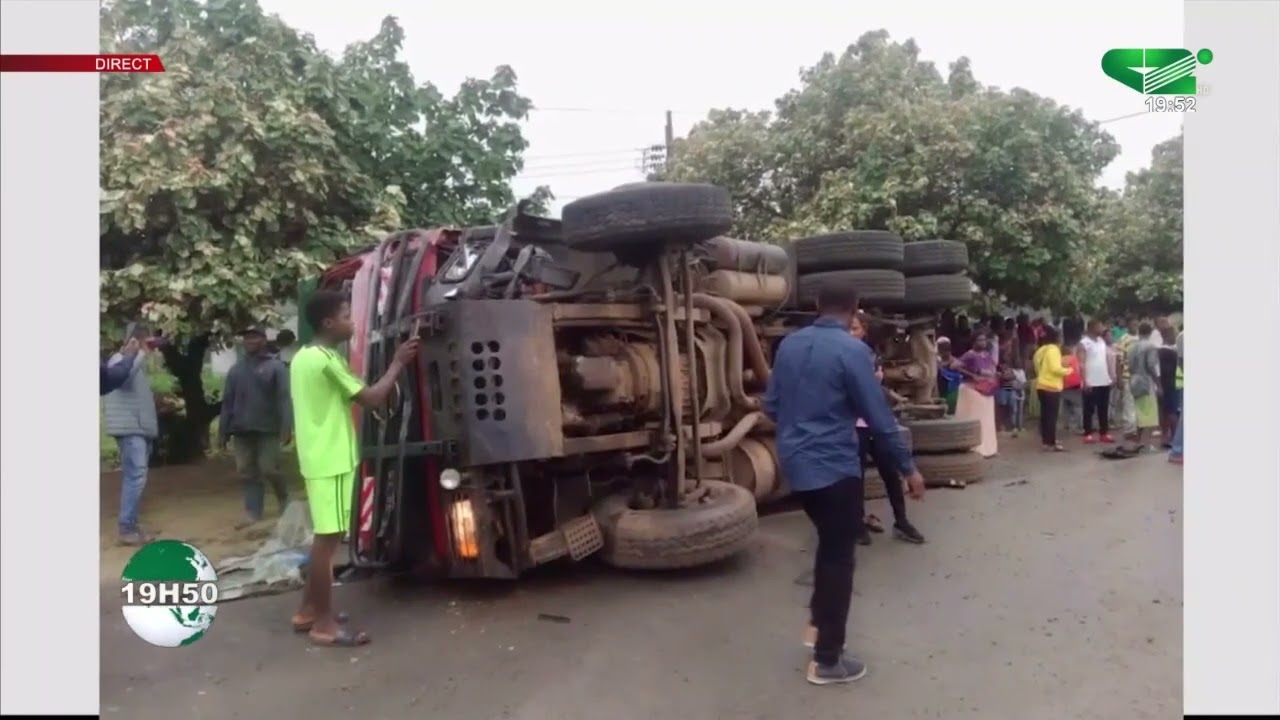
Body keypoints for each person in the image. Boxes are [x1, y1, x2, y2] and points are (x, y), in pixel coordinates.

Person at [764, 285, 924, 686]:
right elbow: (879, 417)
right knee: (839, 559)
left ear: (817, 306)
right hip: (834, 467)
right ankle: (828, 660)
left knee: (828, 544)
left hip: (797, 467)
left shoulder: (789, 346)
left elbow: (771, 405)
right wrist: (908, 468)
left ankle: (817, 625)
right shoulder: (855, 352)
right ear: (855, 310)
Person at [289, 289, 420, 647]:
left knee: (325, 540)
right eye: (347, 315)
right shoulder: (326, 360)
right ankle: (325, 625)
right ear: (328, 322)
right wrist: (398, 363)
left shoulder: (304, 357)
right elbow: (373, 397)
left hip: (321, 456)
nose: (352, 321)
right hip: (330, 459)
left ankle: (307, 613)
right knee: (327, 544)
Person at [848, 311, 926, 547]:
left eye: (855, 328)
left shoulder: (872, 356)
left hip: (876, 424)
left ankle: (901, 522)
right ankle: (857, 524)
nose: (851, 333)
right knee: (855, 476)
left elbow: (873, 389)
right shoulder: (841, 357)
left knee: (890, 474)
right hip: (853, 426)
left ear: (864, 331)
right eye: (848, 328)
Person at [219, 326, 294, 526]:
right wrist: (223, 431)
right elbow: (227, 401)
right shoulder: (236, 370)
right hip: (241, 429)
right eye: (247, 337)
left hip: (268, 428)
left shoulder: (275, 367)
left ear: (263, 339)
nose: (250, 341)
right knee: (246, 470)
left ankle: (285, 498)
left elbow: (284, 398)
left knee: (268, 467)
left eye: (254, 337)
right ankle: (253, 511)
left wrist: (287, 427)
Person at [102, 325, 159, 545]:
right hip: (129, 430)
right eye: (146, 342)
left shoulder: (134, 361)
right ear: (135, 341)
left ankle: (131, 525)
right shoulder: (120, 359)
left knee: (136, 477)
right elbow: (122, 380)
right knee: (136, 476)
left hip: (138, 429)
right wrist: (139, 353)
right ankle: (127, 528)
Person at [951, 331, 1000, 457]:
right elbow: (954, 366)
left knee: (988, 421)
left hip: (987, 389)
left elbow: (993, 368)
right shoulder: (969, 355)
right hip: (972, 389)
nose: (982, 343)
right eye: (979, 340)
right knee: (977, 420)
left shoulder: (987, 354)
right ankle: (975, 447)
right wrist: (973, 374)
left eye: (984, 340)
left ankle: (989, 448)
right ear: (973, 342)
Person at [1032, 325, 1072, 452]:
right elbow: (1055, 369)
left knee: (1045, 416)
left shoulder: (1040, 350)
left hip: (1041, 385)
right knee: (1052, 417)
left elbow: (1037, 367)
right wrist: (1069, 370)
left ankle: (1046, 441)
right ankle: (1051, 443)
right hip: (1052, 387)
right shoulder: (1053, 349)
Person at [1077, 320, 1115, 444]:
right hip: (1091, 381)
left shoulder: (1101, 341)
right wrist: (1084, 380)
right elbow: (1081, 363)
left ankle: (1104, 433)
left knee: (1103, 408)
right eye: (1100, 326)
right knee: (1088, 409)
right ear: (1092, 328)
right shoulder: (1083, 343)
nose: (1102, 328)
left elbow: (1106, 359)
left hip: (1103, 380)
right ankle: (1088, 433)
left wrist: (1110, 375)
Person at [1126, 322, 1163, 449]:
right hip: (1146, 381)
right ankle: (1145, 443)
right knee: (1149, 412)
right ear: (1150, 332)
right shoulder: (1150, 347)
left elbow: (1129, 366)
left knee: (1139, 410)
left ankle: (1139, 439)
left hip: (1134, 379)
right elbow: (1151, 366)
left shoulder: (1131, 347)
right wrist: (1158, 384)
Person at [995, 334, 1027, 438]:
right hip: (1003, 387)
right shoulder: (999, 359)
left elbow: (1011, 375)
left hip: (1010, 388)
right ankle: (1002, 426)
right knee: (1003, 407)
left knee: (1011, 408)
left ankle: (1011, 426)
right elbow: (1005, 375)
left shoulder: (1011, 360)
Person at [1156, 327, 1181, 446]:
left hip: (1163, 384)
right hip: (1171, 384)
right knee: (1172, 412)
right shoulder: (1169, 352)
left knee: (1165, 412)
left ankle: (1165, 436)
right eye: (1173, 335)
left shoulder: (1159, 352)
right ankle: (1175, 437)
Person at [1060, 342, 1084, 436]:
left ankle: (1066, 425)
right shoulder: (1074, 359)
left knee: (1066, 405)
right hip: (1075, 384)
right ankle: (1079, 426)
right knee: (1078, 406)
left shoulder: (1059, 360)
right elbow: (1079, 370)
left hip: (1064, 385)